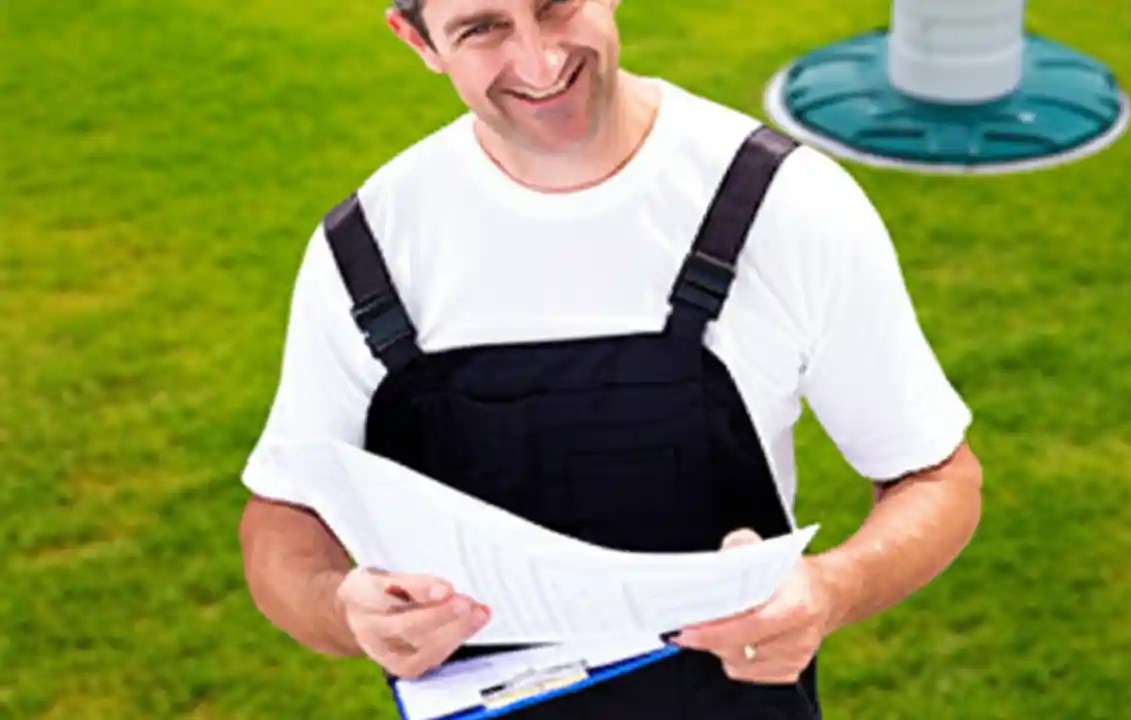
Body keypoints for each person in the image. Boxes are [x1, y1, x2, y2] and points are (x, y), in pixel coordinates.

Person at [236, 0, 984, 717]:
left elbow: (937, 476)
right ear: (418, 41)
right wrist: (344, 609)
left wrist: (830, 588)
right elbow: (284, 515)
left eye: (557, 3)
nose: (540, 58)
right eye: (482, 29)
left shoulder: (785, 206)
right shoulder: (372, 247)